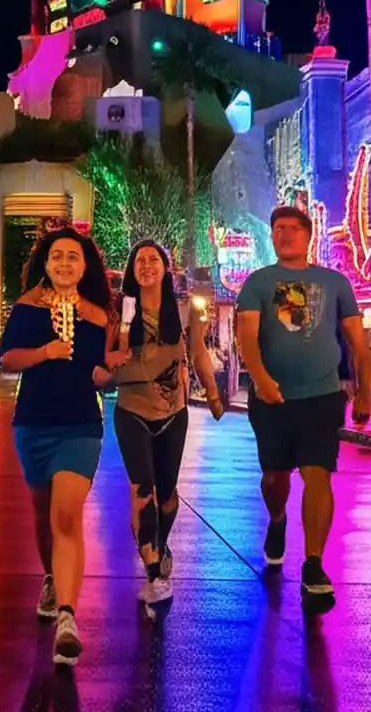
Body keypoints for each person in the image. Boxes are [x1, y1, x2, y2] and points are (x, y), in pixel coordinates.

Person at [235, 206, 371, 612]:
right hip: (273, 400)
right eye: (277, 229)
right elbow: (248, 336)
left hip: (322, 397)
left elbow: (357, 342)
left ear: (308, 235)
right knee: (275, 477)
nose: (284, 234)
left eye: (292, 228)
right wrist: (260, 379)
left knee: (317, 475)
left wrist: (365, 390)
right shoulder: (261, 282)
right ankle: (277, 521)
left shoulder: (333, 283)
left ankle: (313, 564)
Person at [0, 228, 122, 666]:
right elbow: (6, 358)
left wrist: (111, 376)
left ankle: (68, 616)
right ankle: (51, 577)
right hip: (32, 422)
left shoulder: (99, 316)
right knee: (41, 510)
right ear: (46, 264)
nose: (65, 263)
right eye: (57, 257)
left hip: (81, 425)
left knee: (66, 515)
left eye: (73, 257)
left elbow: (102, 368)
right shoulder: (29, 306)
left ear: (85, 266)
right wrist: (45, 352)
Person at [109, 240, 225, 607]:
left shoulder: (185, 309)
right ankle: (154, 573)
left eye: (153, 259)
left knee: (168, 492)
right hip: (131, 411)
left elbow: (198, 352)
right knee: (143, 488)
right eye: (139, 259)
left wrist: (212, 391)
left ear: (166, 267)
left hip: (174, 413)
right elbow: (107, 353)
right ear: (132, 269)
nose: (146, 265)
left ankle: (159, 542)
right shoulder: (121, 308)